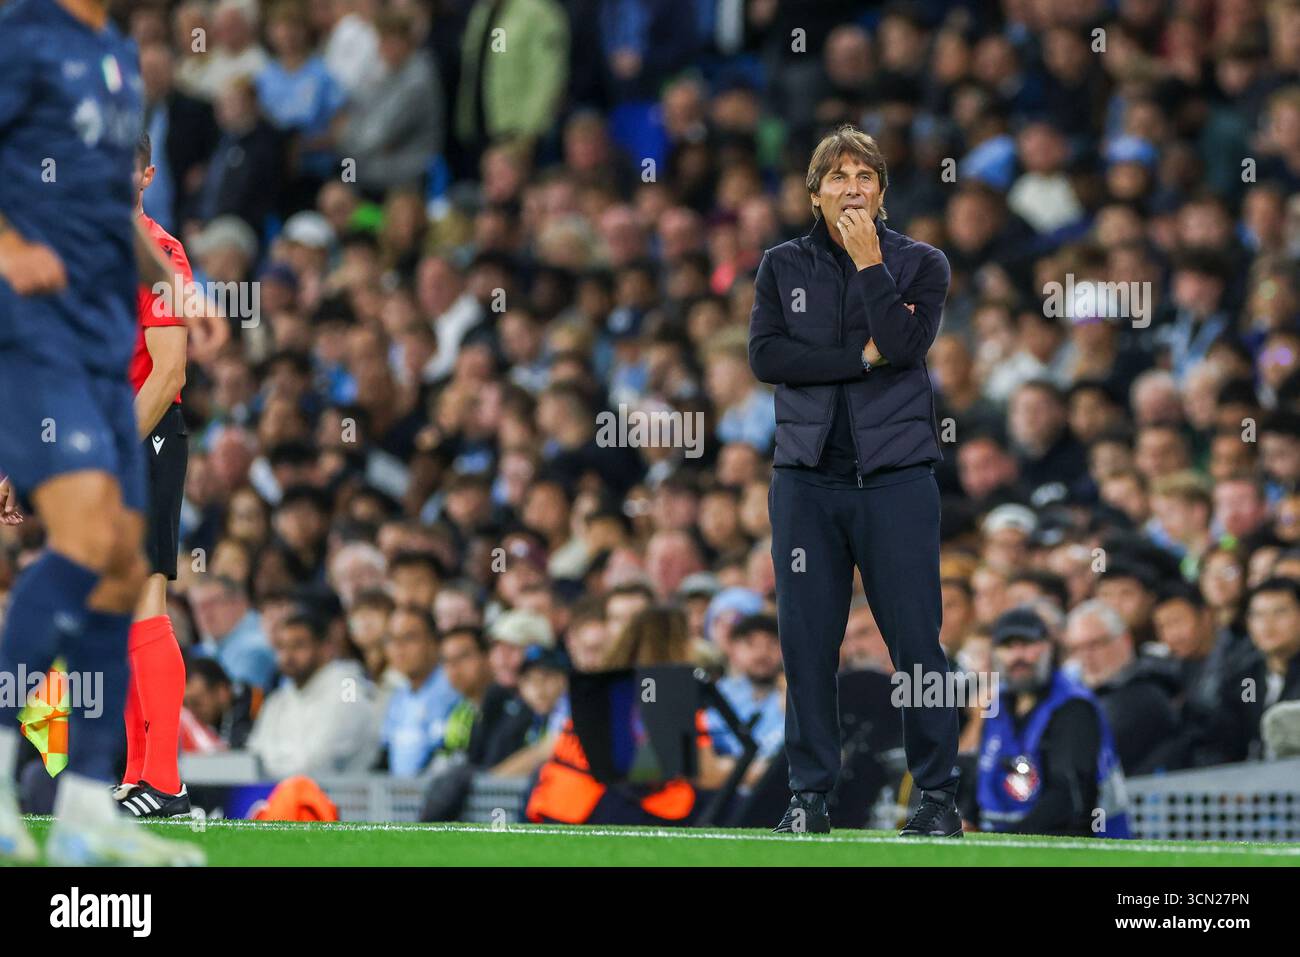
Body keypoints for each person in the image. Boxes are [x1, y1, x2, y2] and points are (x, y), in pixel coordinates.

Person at [0, 0, 221, 866]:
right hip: (38, 324)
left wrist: (180, 288)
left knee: (124, 561)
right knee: (95, 541)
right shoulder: (21, 37)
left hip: (98, 336)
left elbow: (110, 209)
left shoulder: (120, 60)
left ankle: (91, 802)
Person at [748, 125, 961, 837]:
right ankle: (809, 797)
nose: (851, 186)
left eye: (865, 174)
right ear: (813, 193)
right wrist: (858, 357)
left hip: (897, 480)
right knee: (806, 642)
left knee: (918, 645)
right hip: (806, 481)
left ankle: (937, 799)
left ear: (882, 190)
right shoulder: (781, 265)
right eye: (836, 176)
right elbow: (767, 357)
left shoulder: (921, 263)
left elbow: (904, 345)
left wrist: (873, 267)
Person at [115, 132, 194, 819]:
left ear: (147, 173)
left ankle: (165, 781)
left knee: (146, 596)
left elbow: (170, 371)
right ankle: (138, 771)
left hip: (147, 436)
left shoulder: (162, 256)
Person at [970, 607, 1130, 838]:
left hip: (1084, 852)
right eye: (1007, 647)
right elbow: (980, 778)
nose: (1018, 656)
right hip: (1010, 845)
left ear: (1049, 648)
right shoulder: (997, 706)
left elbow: (1069, 801)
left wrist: (1003, 844)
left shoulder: (1074, 707)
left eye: (1027, 644)